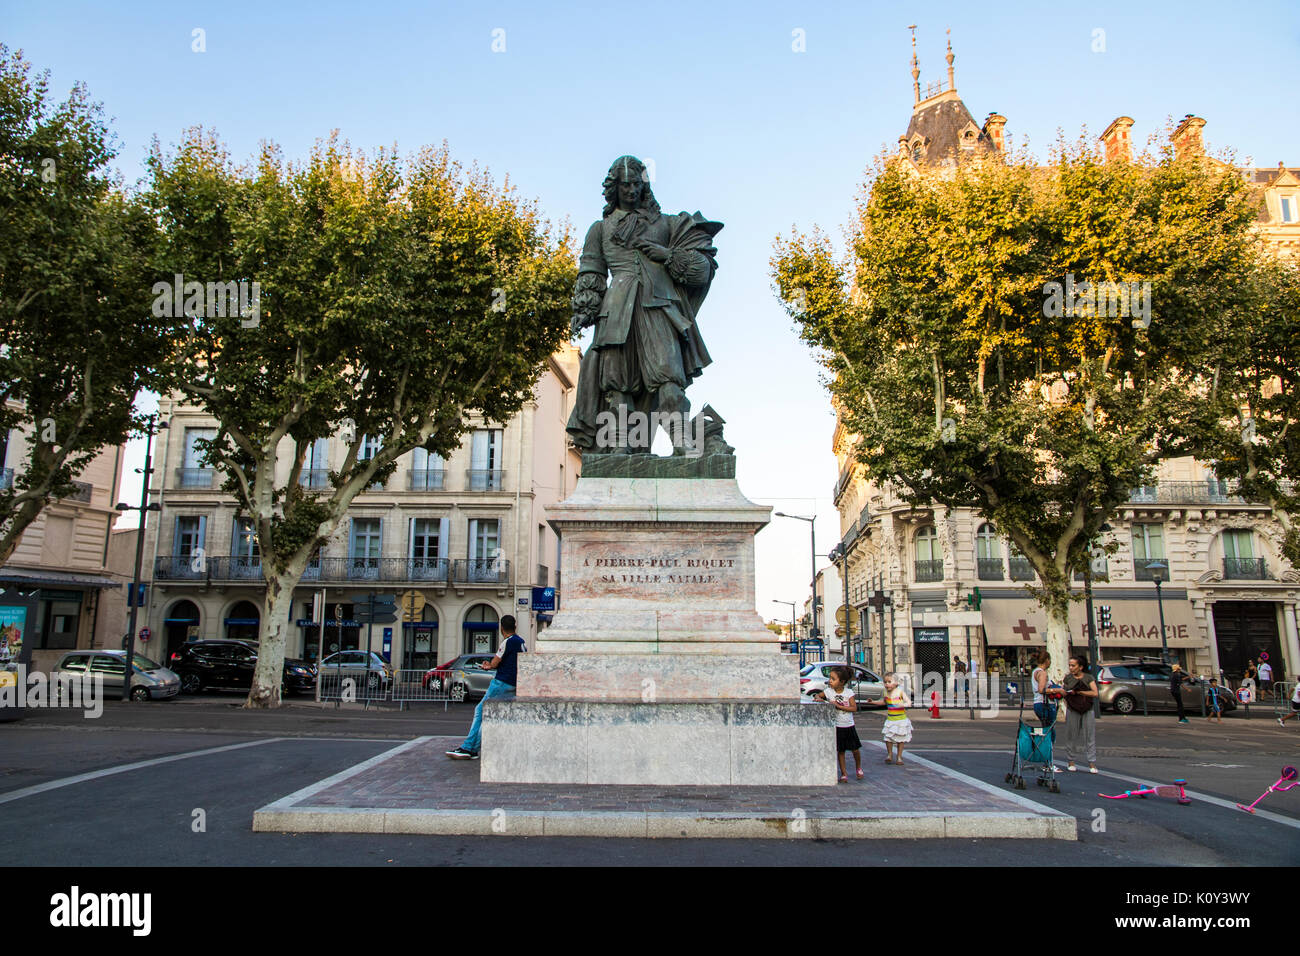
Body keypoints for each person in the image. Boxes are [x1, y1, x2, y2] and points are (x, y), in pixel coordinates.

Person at [446, 616, 525, 760]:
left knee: (480, 712)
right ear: (515, 626)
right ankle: (473, 748)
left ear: (501, 628)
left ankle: (468, 747)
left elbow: (495, 662)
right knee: (489, 715)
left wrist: (487, 666)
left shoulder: (507, 642)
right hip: (514, 683)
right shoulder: (521, 642)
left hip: (501, 683)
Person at [814, 665, 862, 782]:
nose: (830, 681)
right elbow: (817, 696)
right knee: (841, 751)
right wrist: (819, 698)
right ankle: (844, 773)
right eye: (830, 678)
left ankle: (858, 768)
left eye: (833, 679)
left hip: (849, 725)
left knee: (855, 749)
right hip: (837, 725)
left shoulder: (848, 692)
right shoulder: (828, 692)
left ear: (842, 682)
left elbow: (854, 708)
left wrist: (839, 706)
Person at [1062, 654, 1099, 773]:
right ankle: (1071, 761)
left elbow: (1095, 693)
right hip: (1073, 708)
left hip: (1087, 708)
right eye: (1070, 665)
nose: (1071, 668)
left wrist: (1080, 692)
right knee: (1071, 735)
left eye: (1073, 665)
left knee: (1089, 735)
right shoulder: (1068, 678)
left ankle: (1092, 763)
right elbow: (1064, 692)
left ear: (1080, 667)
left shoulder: (1088, 678)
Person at [881, 672, 913, 766]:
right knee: (888, 738)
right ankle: (889, 754)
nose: (887, 684)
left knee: (901, 739)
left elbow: (909, 703)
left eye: (889, 682)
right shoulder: (885, 692)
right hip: (890, 719)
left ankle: (899, 757)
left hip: (901, 719)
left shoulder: (900, 692)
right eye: (885, 682)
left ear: (896, 683)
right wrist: (872, 702)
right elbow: (883, 702)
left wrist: (901, 705)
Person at [1031, 651, 1058, 740]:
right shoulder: (1042, 673)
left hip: (1038, 703)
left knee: (1045, 727)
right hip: (1045, 704)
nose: (1050, 662)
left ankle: (1044, 747)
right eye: (1050, 660)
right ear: (1047, 660)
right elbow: (1041, 689)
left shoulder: (1035, 671)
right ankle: (1047, 748)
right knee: (1049, 729)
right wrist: (1057, 690)